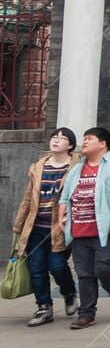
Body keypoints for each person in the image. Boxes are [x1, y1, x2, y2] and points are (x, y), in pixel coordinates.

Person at [59, 127, 110, 329]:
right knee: (84, 273)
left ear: (102, 143)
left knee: (103, 266)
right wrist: (61, 215)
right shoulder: (76, 169)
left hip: (107, 231)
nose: (84, 142)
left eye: (89, 139)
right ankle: (86, 313)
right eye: (84, 139)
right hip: (80, 230)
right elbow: (65, 196)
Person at [12, 127, 79, 326]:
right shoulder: (38, 167)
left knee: (57, 266)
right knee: (36, 268)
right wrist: (18, 226)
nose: (56, 140)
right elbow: (27, 198)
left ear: (71, 146)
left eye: (62, 138)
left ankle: (69, 293)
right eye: (54, 137)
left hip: (59, 227)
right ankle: (44, 307)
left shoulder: (76, 169)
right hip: (36, 227)